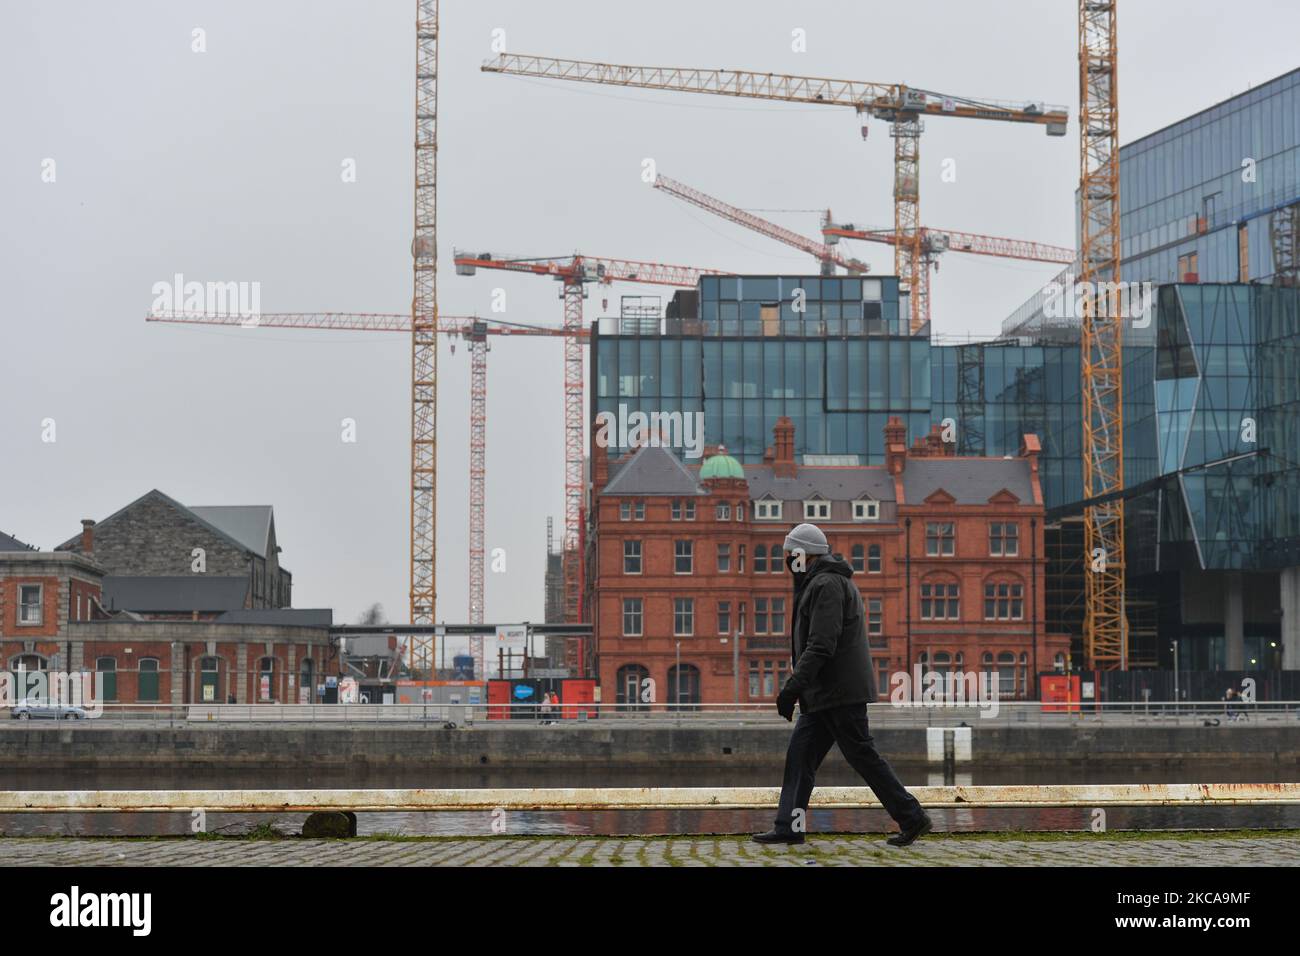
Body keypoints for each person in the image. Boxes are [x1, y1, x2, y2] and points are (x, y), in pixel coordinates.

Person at [753, 522, 932, 847]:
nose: (786, 561)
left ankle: (912, 816)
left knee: (862, 755)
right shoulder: (817, 583)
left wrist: (791, 689)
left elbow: (821, 645)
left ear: (803, 555)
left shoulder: (827, 585)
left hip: (839, 693)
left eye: (789, 555)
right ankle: (789, 827)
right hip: (824, 695)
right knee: (800, 758)